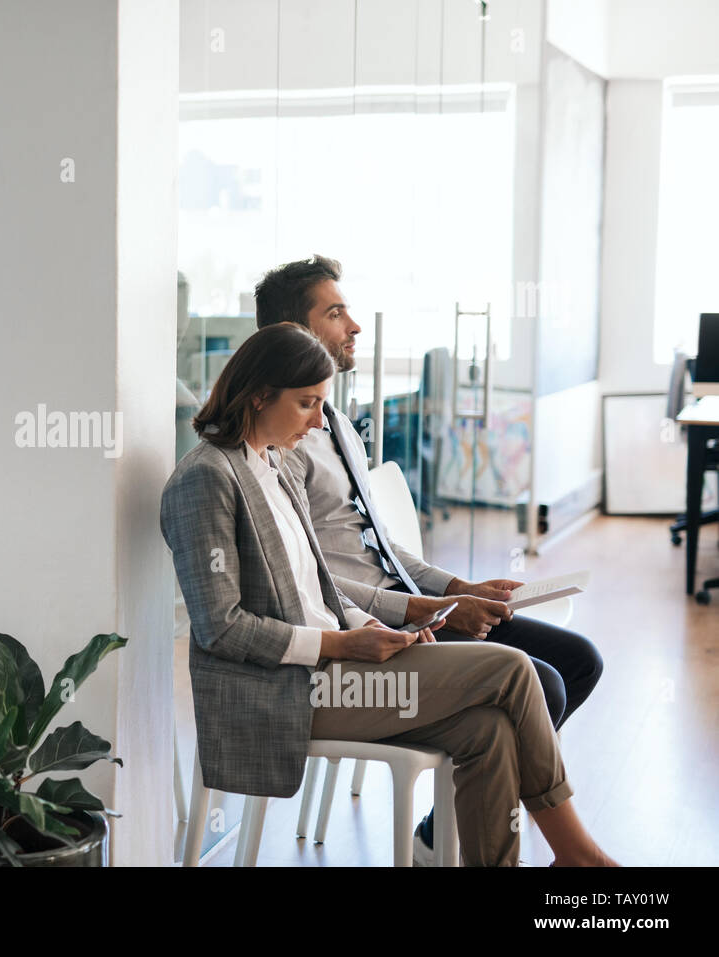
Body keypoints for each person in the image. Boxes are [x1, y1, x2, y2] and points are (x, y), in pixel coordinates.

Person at [160, 321, 617, 866]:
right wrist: (339, 647)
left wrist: (363, 625)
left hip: (339, 667)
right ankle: (580, 858)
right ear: (259, 395)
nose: (317, 420)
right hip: (290, 690)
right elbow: (220, 627)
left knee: (490, 731)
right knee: (515, 670)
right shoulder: (206, 478)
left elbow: (319, 587)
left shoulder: (275, 465)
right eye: (306, 404)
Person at [257, 255, 604, 863]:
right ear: (296, 332)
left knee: (578, 661)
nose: (355, 327)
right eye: (335, 313)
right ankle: (464, 833)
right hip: (372, 631)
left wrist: (461, 587)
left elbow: (386, 550)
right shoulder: (280, 445)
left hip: (415, 608)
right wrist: (432, 608)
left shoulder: (334, 422)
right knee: (537, 684)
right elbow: (310, 581)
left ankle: (446, 829)